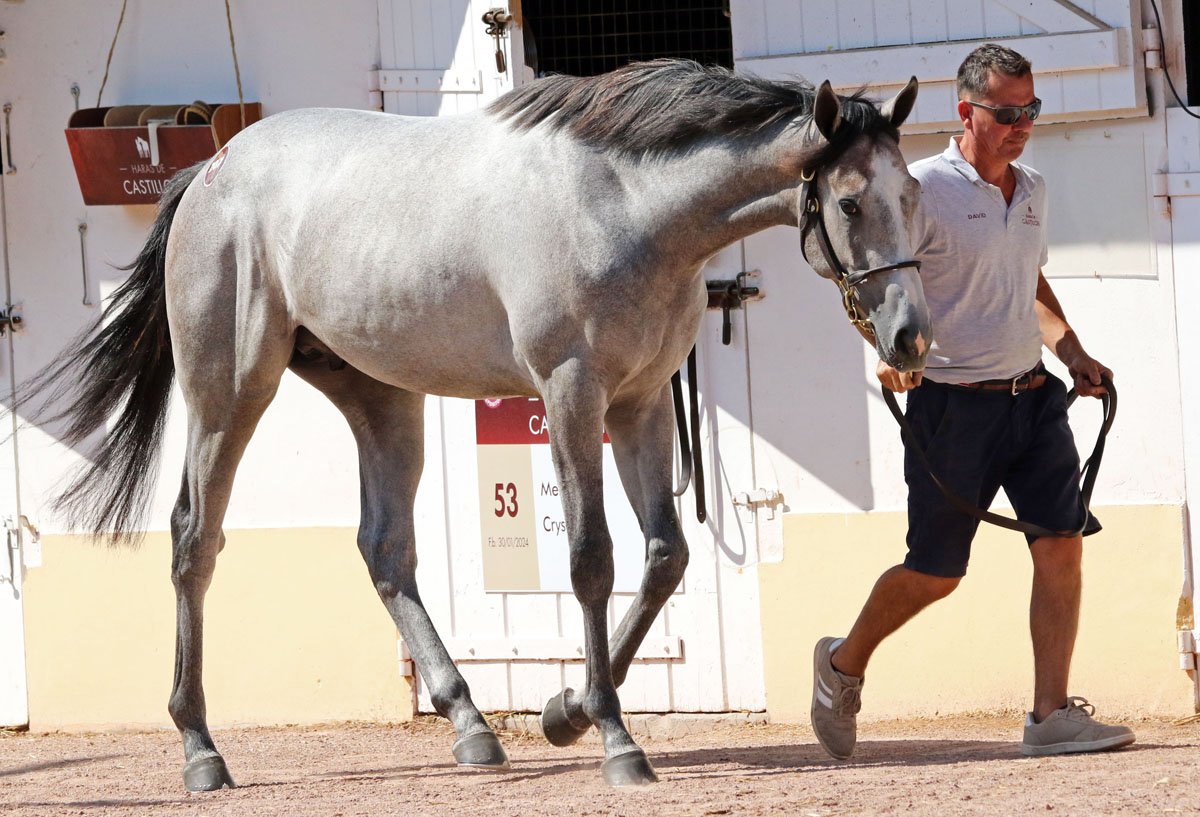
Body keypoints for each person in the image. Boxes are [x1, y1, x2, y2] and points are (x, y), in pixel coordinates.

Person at [810, 43, 1136, 759]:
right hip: (953, 407)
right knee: (936, 573)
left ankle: (1050, 715)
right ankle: (841, 663)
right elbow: (873, 279)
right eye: (1008, 112)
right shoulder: (922, 190)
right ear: (967, 111)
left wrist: (1073, 353)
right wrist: (890, 356)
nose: (1024, 125)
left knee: (1061, 544)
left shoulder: (1033, 189)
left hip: (1033, 399)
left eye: (1031, 110)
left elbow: (1029, 283)